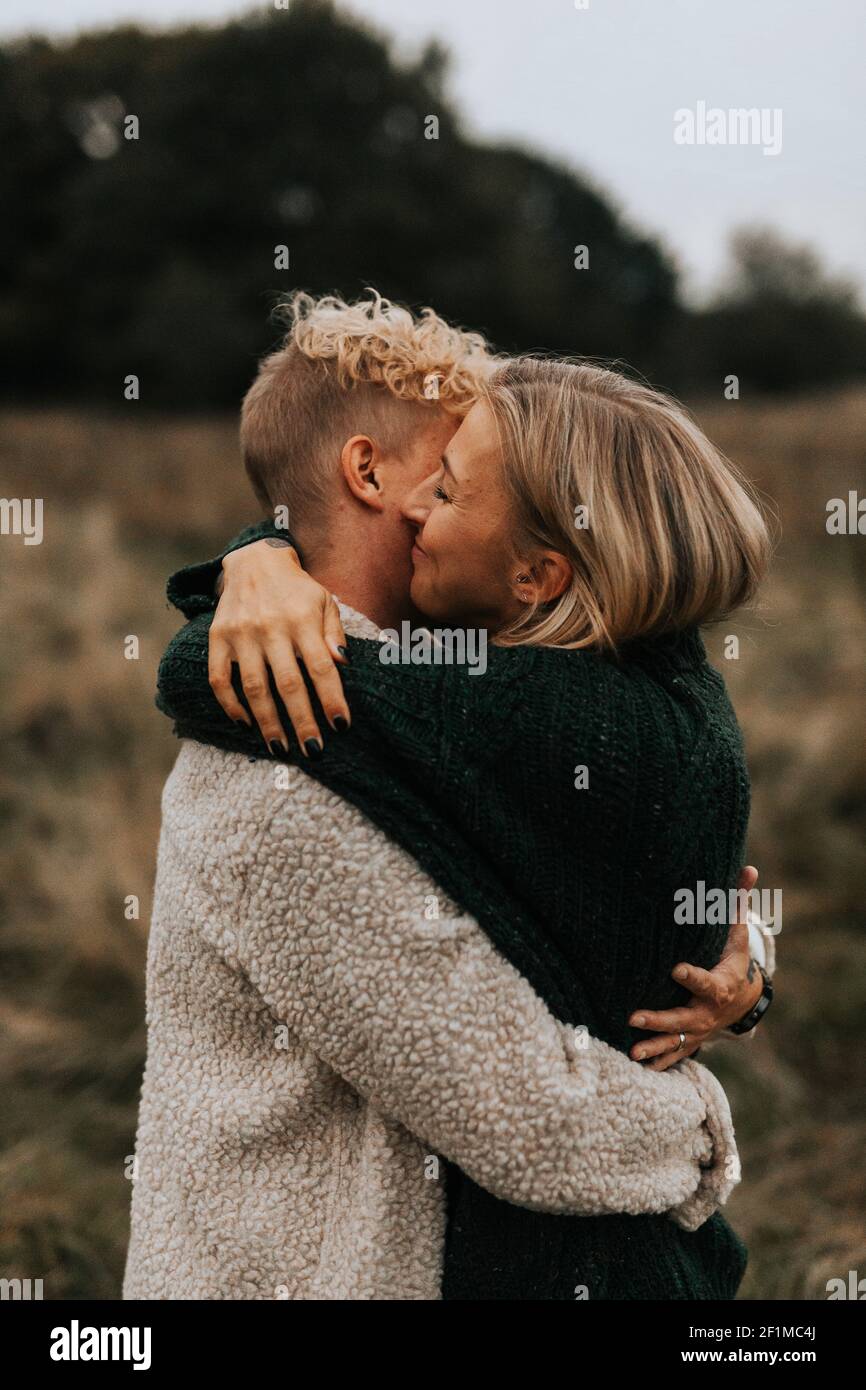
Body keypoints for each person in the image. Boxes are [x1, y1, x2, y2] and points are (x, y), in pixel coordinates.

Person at [127, 293, 774, 1301]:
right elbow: (525, 1117)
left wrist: (739, 958)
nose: (448, 504)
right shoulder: (280, 782)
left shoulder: (451, 684)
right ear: (366, 470)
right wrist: (697, 1125)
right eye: (448, 469)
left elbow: (619, 842)